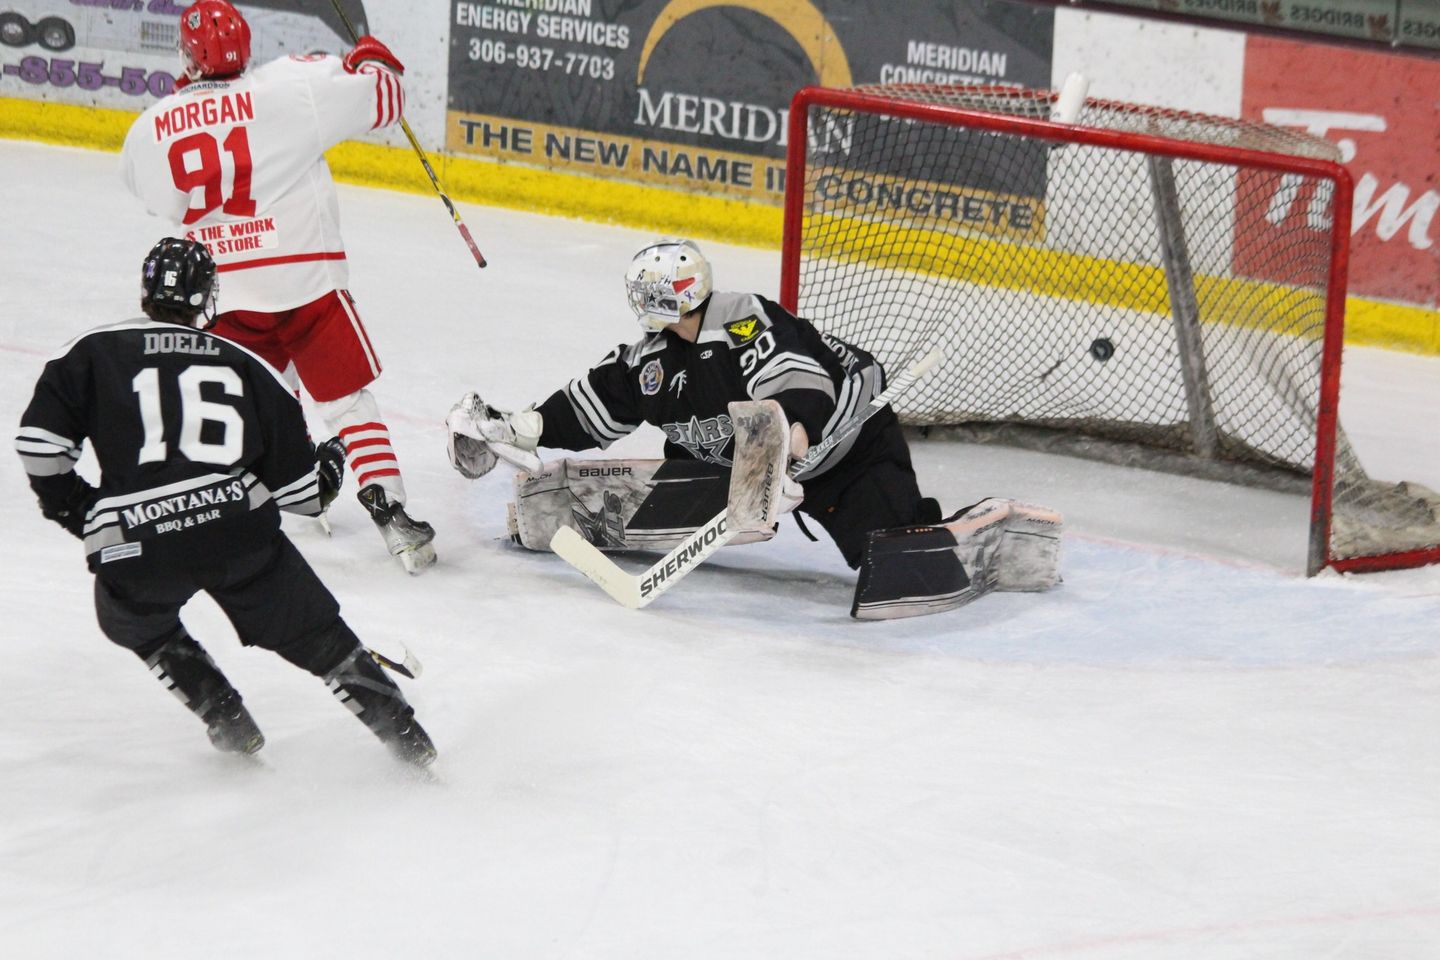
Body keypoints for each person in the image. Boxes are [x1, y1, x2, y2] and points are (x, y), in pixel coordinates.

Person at [443, 238, 1063, 619]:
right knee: (692, 449)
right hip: (747, 466)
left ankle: (995, 535)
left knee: (899, 560)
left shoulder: (742, 322)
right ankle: (679, 495)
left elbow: (799, 385)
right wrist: (517, 427)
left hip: (846, 454)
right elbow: (594, 402)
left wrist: (787, 454)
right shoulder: (652, 361)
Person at [14, 237, 436, 765]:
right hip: (236, 531)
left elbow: (40, 447)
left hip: (137, 541)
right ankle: (412, 745)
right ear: (207, 298)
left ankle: (226, 717)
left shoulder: (92, 350)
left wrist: (84, 513)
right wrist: (327, 470)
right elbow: (302, 497)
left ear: (145, 293)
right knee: (322, 640)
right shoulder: (246, 363)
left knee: (131, 618)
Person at [118, 0, 435, 574]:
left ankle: (283, 496)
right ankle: (395, 520)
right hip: (307, 277)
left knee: (256, 398)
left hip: (228, 291)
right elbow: (386, 99)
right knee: (346, 401)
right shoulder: (294, 82)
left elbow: (153, 198)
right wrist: (371, 62)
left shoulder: (153, 124)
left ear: (190, 55)